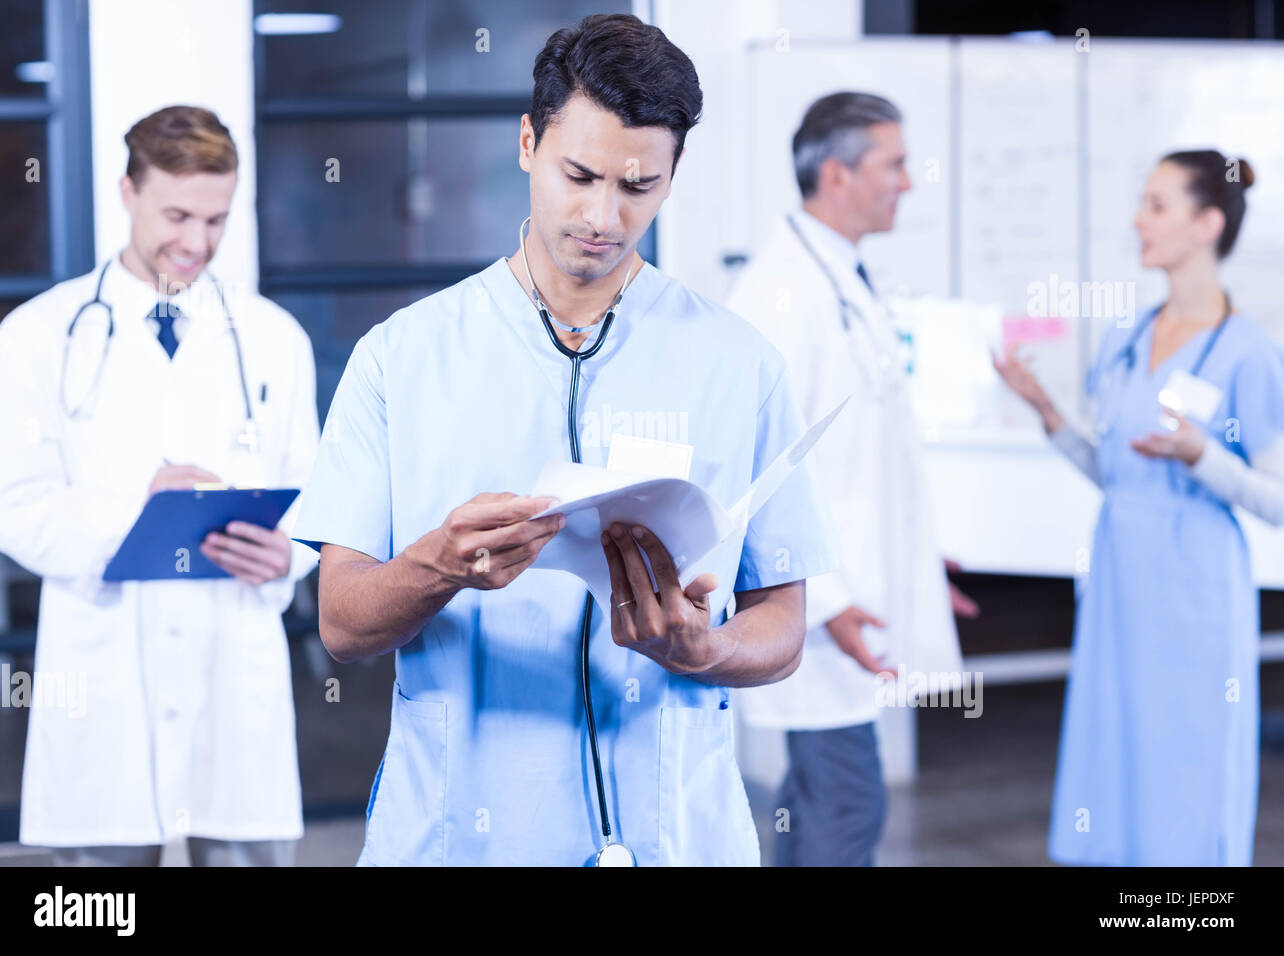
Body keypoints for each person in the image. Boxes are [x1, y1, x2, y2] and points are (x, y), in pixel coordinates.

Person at [292, 13, 837, 867]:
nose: (603, 216)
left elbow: (784, 627)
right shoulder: (400, 358)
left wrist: (705, 648)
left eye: (638, 186)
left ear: (672, 175)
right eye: (577, 174)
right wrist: (437, 565)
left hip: (675, 835)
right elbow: (343, 622)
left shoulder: (740, 366)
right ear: (525, 143)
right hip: (465, 835)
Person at [0, 106, 320, 866]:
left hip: (234, 657)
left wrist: (291, 553)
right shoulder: (40, 335)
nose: (197, 243)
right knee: (101, 907)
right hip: (102, 665)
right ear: (127, 192)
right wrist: (140, 507)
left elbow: (314, 496)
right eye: (177, 215)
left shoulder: (272, 338)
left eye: (216, 219)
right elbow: (8, 503)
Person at [995, 150, 1284, 865]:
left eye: (1157, 205)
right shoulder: (1124, 336)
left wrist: (1202, 457)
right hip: (1120, 582)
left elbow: (1278, 503)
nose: (1138, 220)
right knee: (1114, 748)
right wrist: (1049, 414)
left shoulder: (1250, 354)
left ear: (1207, 223)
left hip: (1197, 593)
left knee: (1189, 761)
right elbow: (1117, 473)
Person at [729, 92, 977, 866]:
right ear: (836, 174)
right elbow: (754, 464)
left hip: (844, 597)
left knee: (818, 805)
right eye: (894, 164)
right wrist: (824, 603)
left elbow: (864, 457)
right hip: (818, 606)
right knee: (847, 804)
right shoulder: (781, 295)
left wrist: (918, 559)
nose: (908, 181)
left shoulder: (839, 277)